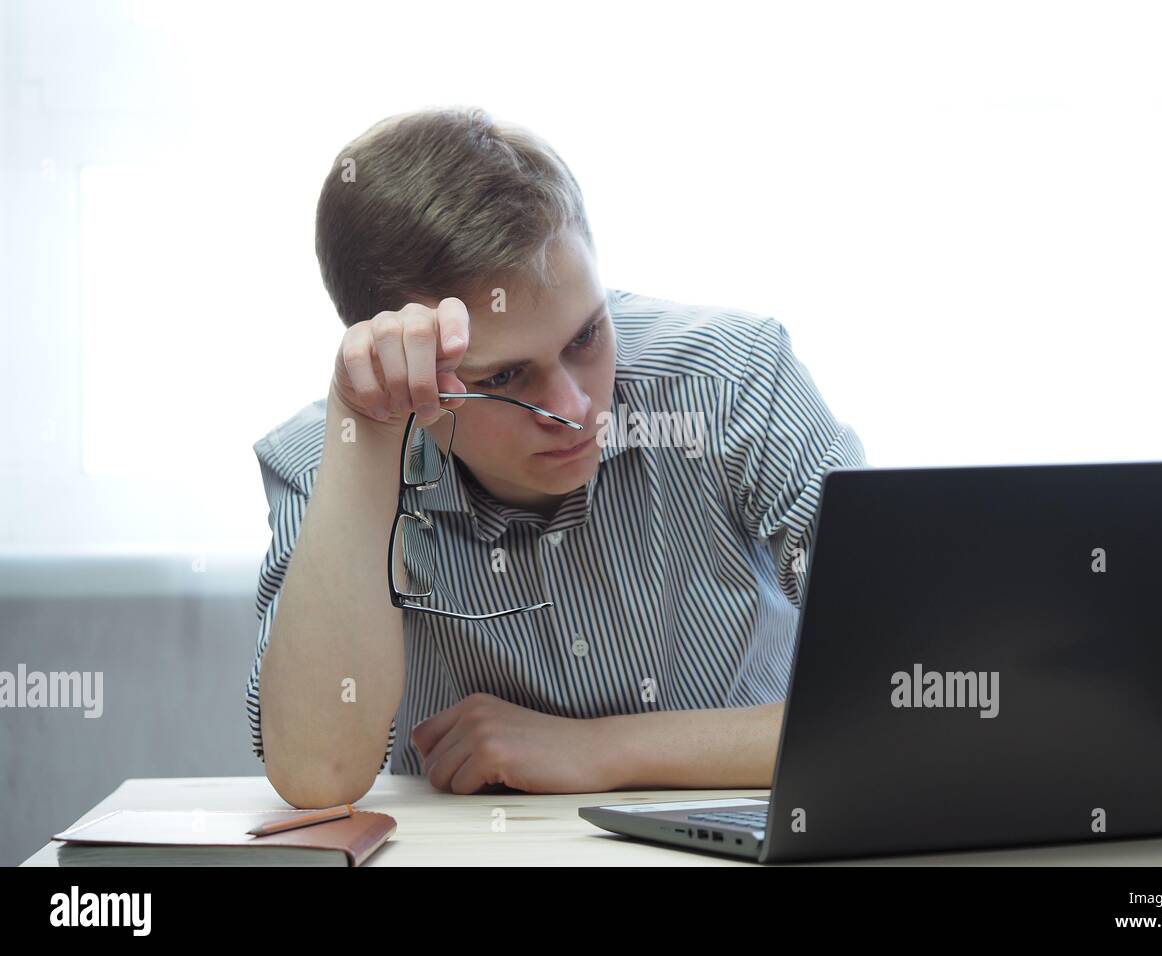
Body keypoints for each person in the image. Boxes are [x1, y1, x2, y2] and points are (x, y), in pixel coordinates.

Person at [247, 106, 866, 808]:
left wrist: (601, 749)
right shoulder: (330, 458)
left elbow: (904, 689)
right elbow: (317, 775)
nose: (573, 407)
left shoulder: (733, 382)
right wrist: (368, 437)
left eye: (586, 336)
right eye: (505, 378)